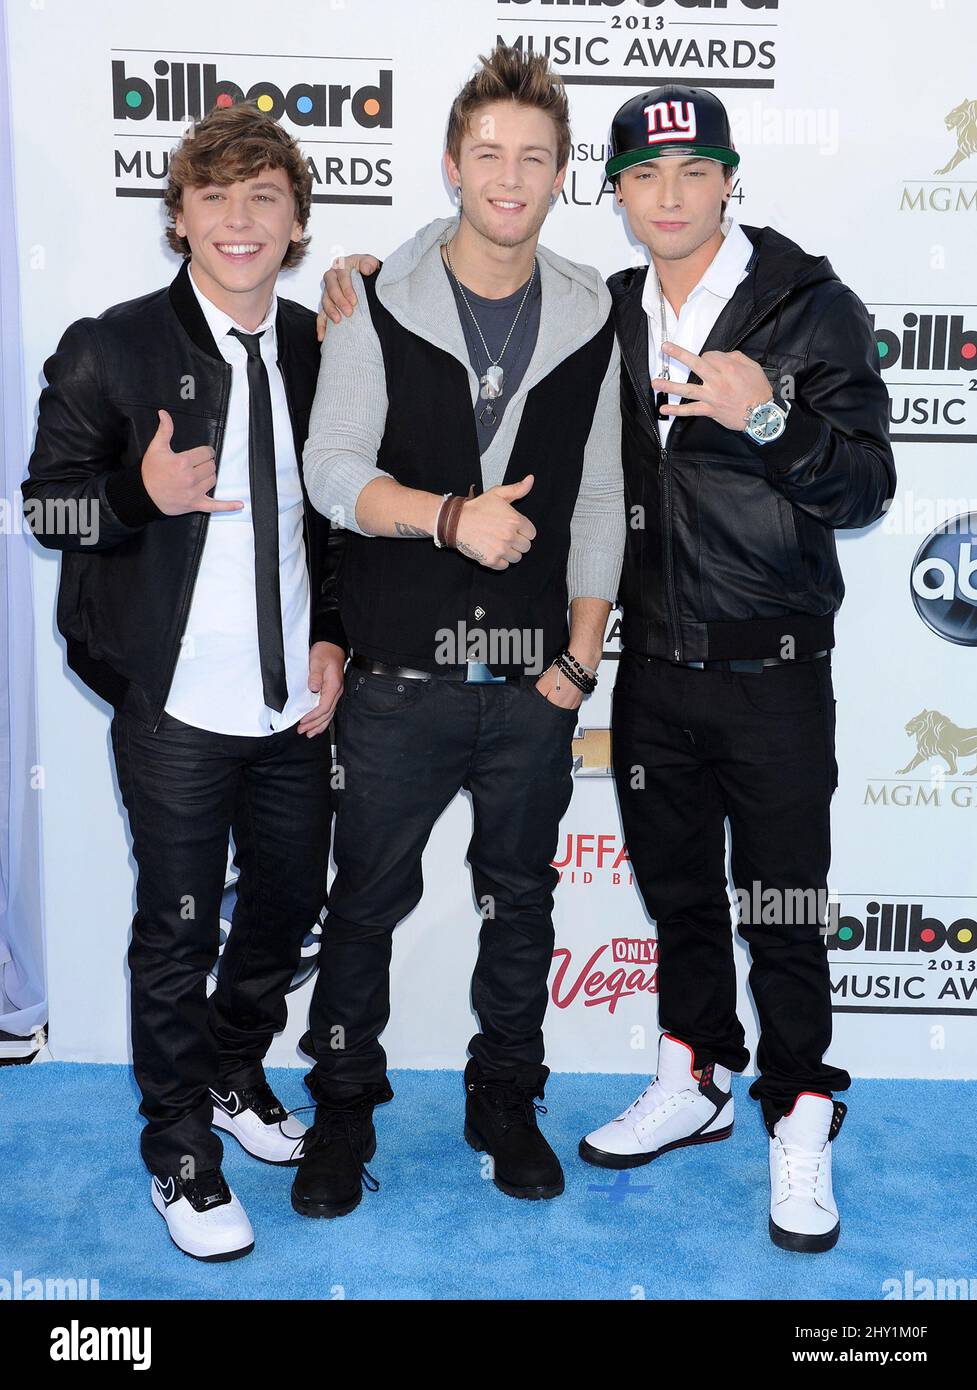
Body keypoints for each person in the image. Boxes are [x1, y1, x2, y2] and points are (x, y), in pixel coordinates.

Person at [319, 83, 896, 1252]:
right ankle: (693, 1077)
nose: (670, 196)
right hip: (656, 675)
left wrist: (771, 416)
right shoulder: (609, 307)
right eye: (644, 177)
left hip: (774, 663)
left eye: (693, 174)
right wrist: (357, 283)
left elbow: (867, 486)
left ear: (731, 178)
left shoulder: (807, 306)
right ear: (617, 193)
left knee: (778, 907)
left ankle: (800, 1107)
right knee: (679, 901)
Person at [293, 44, 624, 1220]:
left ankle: (504, 1101)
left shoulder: (593, 313)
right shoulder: (374, 297)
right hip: (395, 684)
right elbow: (330, 469)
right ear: (450, 165)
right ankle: (340, 1110)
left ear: (559, 175)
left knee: (519, 903)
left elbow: (595, 501)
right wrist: (446, 518)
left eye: (533, 157)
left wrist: (577, 664)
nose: (508, 174)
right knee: (364, 905)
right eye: (487, 152)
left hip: (527, 690)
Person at [23, 102, 347, 1262]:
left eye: (263, 196)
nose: (239, 220)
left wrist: (336, 641)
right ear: (179, 219)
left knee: (285, 905)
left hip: (289, 701)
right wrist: (136, 497)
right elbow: (43, 507)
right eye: (213, 198)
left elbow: (345, 522)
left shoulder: (321, 346)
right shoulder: (111, 345)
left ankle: (228, 1066)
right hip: (172, 701)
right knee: (174, 929)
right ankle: (178, 1151)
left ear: (297, 219)